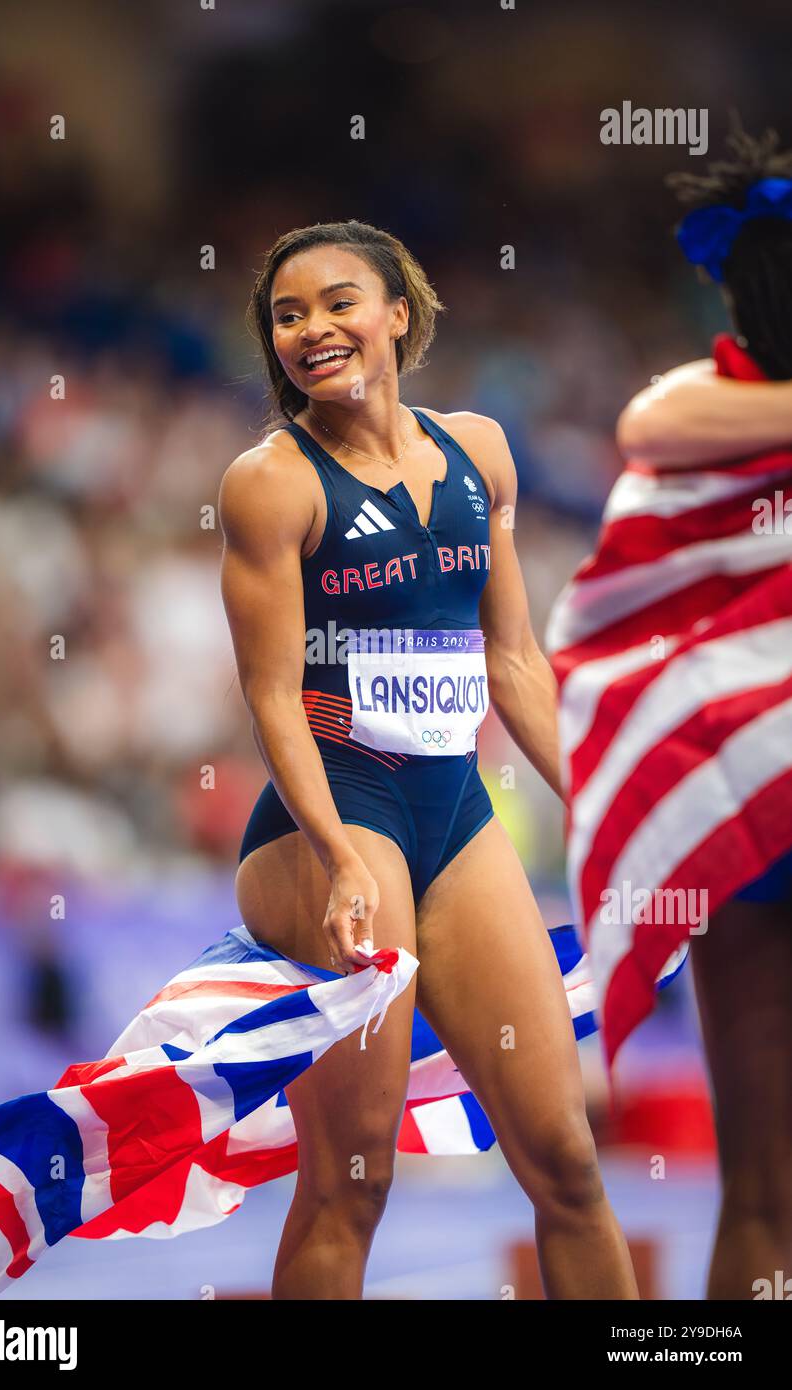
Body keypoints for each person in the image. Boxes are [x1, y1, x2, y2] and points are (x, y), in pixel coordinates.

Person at [218, 219, 638, 1300]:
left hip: (450, 807)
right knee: (351, 1181)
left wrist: (607, 808)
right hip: (332, 814)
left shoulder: (477, 451)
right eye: (286, 314)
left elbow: (513, 662)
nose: (312, 328)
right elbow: (267, 691)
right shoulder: (271, 483)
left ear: (397, 313)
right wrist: (337, 858)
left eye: (337, 302)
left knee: (566, 1161)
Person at [579, 126, 792, 1299]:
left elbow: (645, 427)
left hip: (733, 804)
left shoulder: (701, 410)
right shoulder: (689, 416)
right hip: (749, 799)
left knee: (760, 1187)